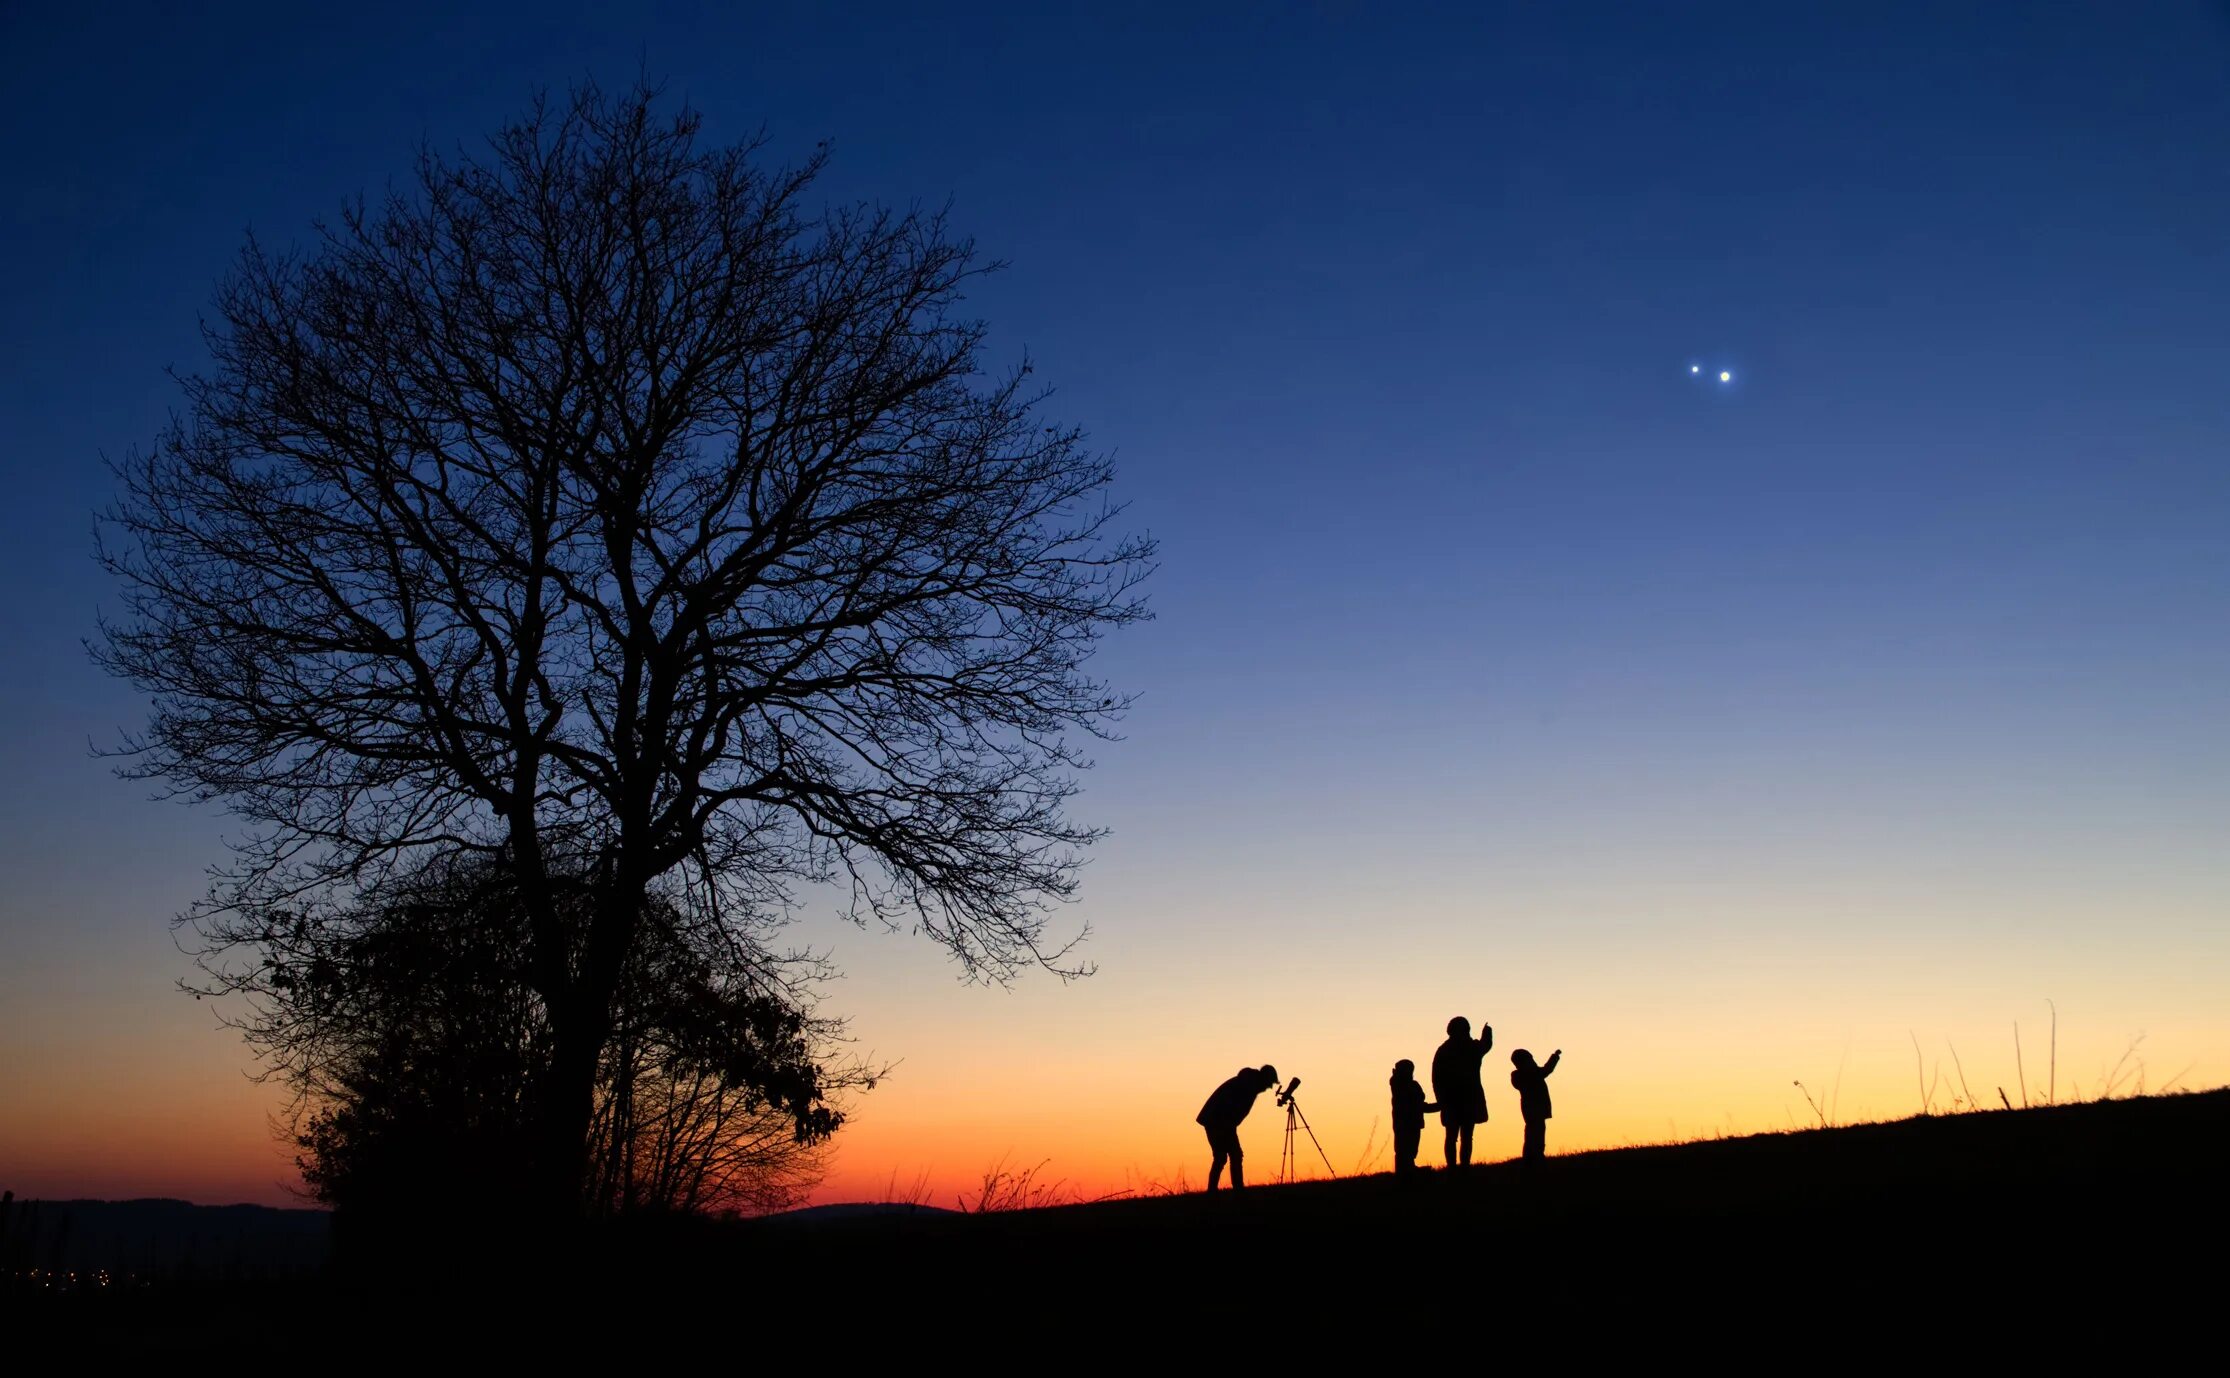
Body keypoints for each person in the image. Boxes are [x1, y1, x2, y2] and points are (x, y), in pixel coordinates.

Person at [1196, 1065, 1279, 1191]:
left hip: (1219, 1121)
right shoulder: (1248, 1086)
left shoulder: (1248, 1084)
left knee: (1223, 1156)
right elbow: (1231, 1107)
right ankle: (1235, 1188)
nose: (1270, 1087)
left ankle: (1217, 1190)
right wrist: (1228, 1125)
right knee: (1229, 1155)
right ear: (1265, 1078)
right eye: (1270, 1083)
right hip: (1218, 1121)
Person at [1430, 1015, 1494, 1168]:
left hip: (1454, 1099)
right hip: (1463, 1098)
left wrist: (1441, 1098)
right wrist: (1487, 1032)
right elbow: (1485, 1045)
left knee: (1455, 1136)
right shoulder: (1470, 1047)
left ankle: (1455, 1167)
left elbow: (1435, 1077)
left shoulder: (1444, 1050)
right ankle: (1461, 1166)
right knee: (1463, 1136)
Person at [1510, 1048, 1563, 1163]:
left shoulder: (1522, 1074)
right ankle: (1534, 1156)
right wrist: (1555, 1056)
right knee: (1535, 1132)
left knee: (1535, 1131)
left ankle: (1534, 1155)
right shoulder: (1526, 1074)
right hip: (1534, 1108)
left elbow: (1545, 1070)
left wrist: (1554, 1056)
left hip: (1532, 1108)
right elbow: (1546, 1070)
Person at [1388, 1059, 1438, 1176]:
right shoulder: (1405, 1086)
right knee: (1405, 1148)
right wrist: (1439, 1106)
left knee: (1408, 1148)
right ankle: (1406, 1171)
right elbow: (1418, 1106)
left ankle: (1408, 1169)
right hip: (1408, 1123)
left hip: (1408, 1123)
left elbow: (1419, 1105)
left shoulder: (1402, 1086)